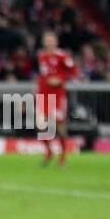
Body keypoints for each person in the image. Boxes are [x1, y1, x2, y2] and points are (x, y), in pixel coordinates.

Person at [36, 30, 77, 165]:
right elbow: (42, 76)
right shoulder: (41, 55)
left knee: (59, 126)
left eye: (51, 39)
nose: (48, 42)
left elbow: (74, 71)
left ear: (56, 41)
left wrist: (60, 79)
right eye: (46, 39)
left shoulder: (62, 55)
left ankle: (63, 156)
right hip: (43, 95)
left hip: (58, 96)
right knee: (40, 125)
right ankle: (49, 151)